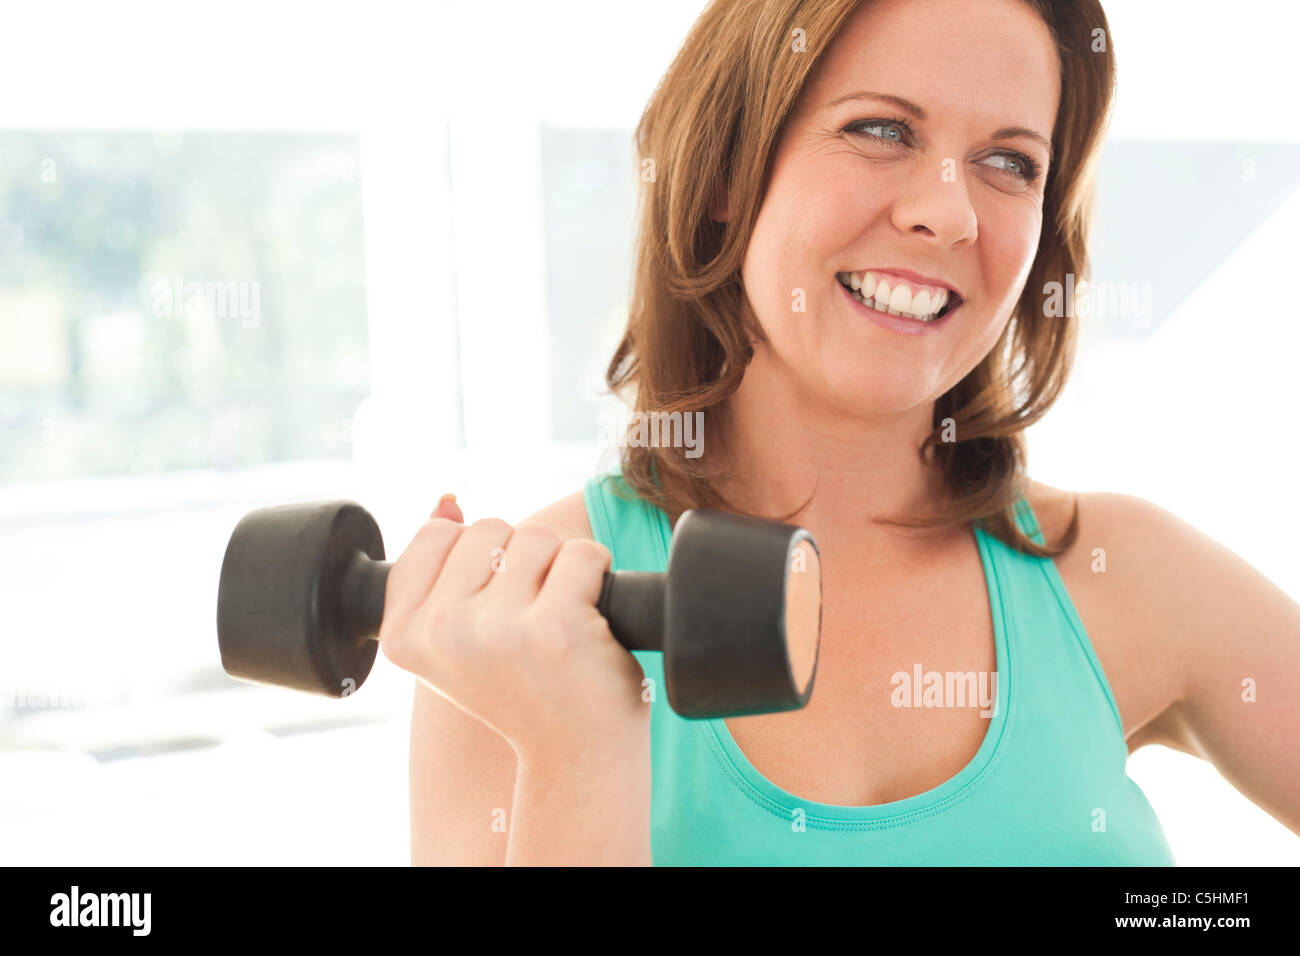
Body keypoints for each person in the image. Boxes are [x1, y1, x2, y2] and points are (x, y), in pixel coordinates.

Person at [382, 0, 1300, 865]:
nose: (948, 212)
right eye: (881, 130)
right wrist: (576, 752)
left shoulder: (1127, 573)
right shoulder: (517, 627)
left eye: (1010, 161)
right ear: (723, 181)